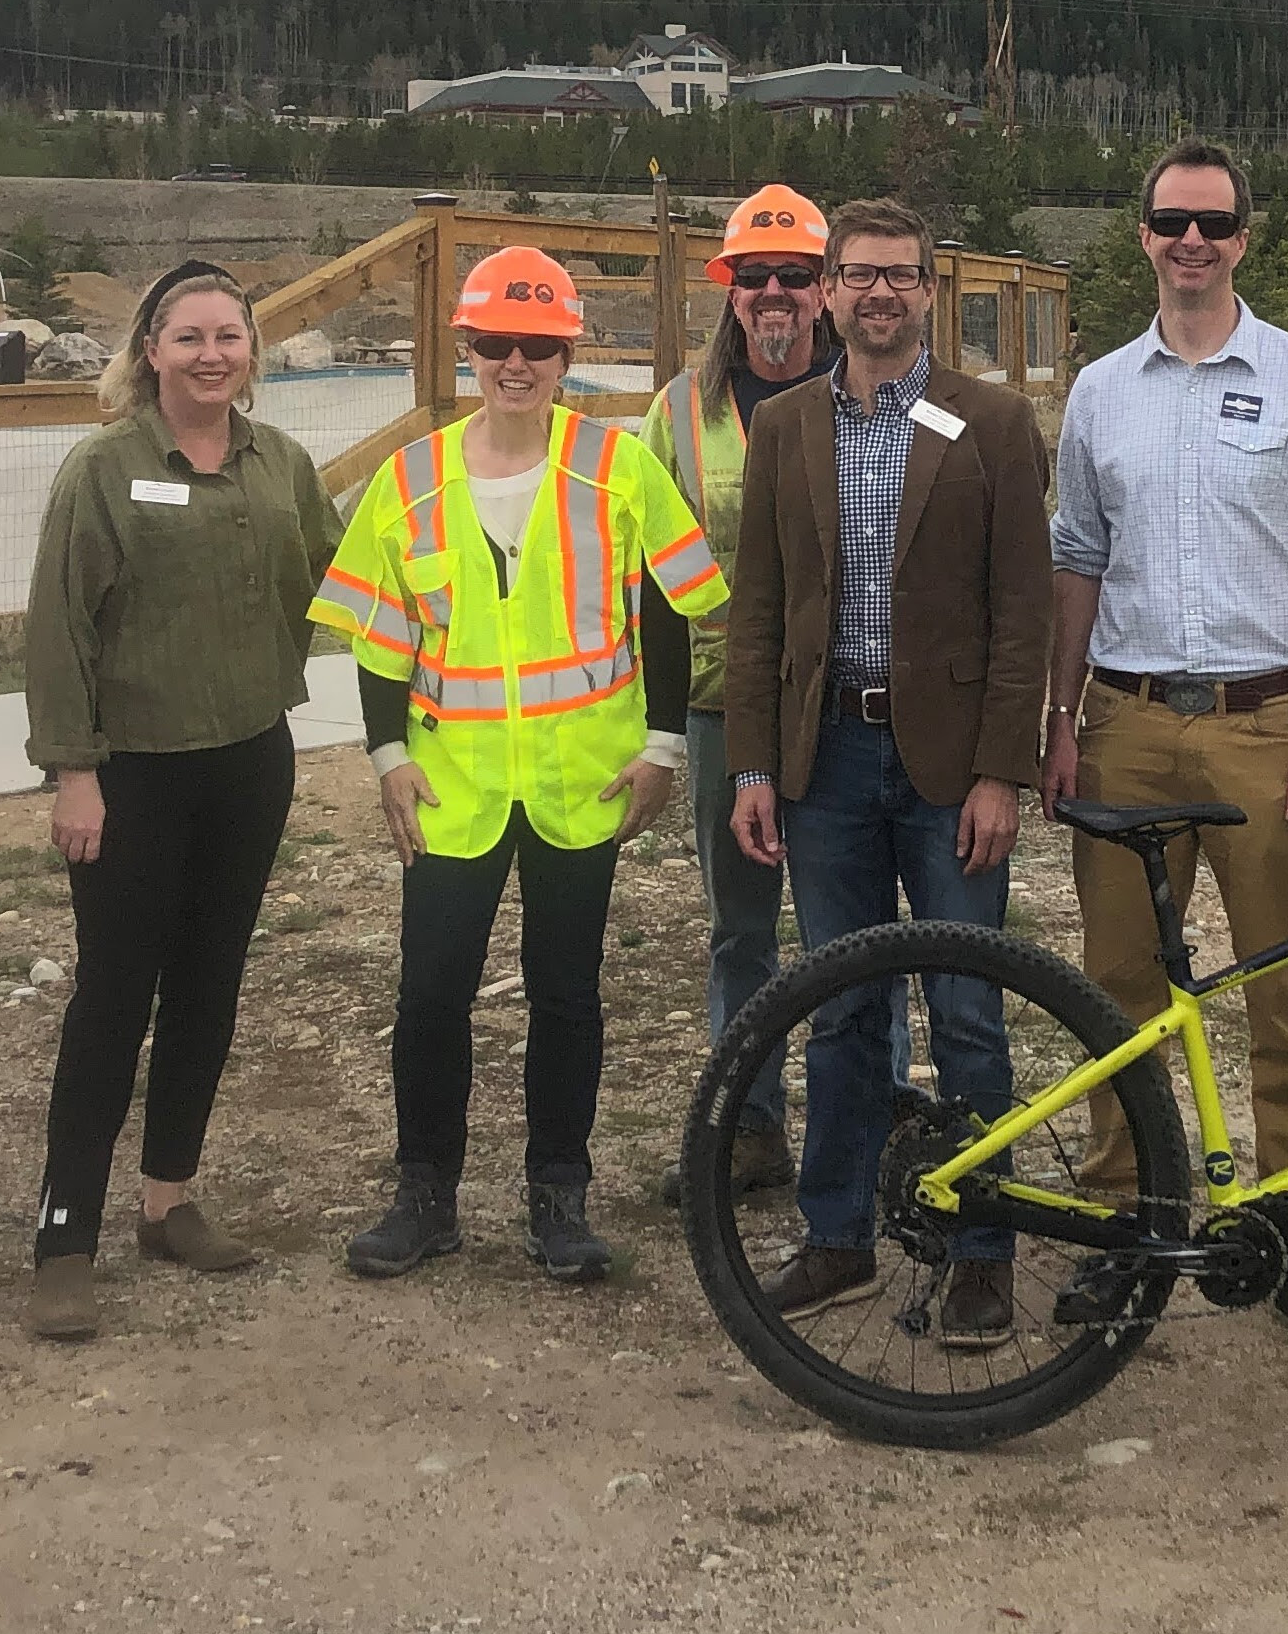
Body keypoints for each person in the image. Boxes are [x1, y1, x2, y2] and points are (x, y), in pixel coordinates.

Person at [311, 245, 722, 1285]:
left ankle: (558, 1194)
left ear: (568, 352)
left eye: (539, 345)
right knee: (431, 994)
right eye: (497, 342)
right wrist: (388, 751)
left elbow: (673, 606)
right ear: (467, 349)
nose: (517, 362)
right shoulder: (412, 477)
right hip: (450, 785)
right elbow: (380, 632)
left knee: (567, 992)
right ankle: (424, 1193)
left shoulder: (618, 464)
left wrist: (664, 746)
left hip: (581, 778)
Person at [1042, 138, 1288, 1358]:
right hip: (1126, 722)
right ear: (1141, 233)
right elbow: (1076, 556)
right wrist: (1057, 717)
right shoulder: (1099, 389)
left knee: (1285, 992)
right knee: (1119, 995)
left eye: (1216, 222)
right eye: (1172, 220)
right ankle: (1126, 1230)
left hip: (1270, 722)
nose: (1193, 240)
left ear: (1246, 235)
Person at [722, 198, 1053, 1342]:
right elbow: (758, 609)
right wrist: (755, 762)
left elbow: (1024, 612)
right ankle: (838, 1235)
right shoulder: (786, 428)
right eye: (858, 274)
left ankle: (978, 1246)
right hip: (827, 763)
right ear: (825, 288)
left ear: (929, 289)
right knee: (843, 1007)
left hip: (952, 767)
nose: (879, 293)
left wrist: (1005, 770)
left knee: (967, 1009)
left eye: (901, 275)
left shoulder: (996, 424)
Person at [16, 261, 342, 1341]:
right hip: (134, 774)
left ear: (253, 351)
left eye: (230, 337)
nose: (212, 355)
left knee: (209, 985)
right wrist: (74, 771)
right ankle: (65, 1235)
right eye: (189, 337)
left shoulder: (281, 462)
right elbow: (59, 626)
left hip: (250, 759)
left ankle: (168, 1198)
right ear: (149, 351)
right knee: (113, 997)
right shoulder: (104, 469)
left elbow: (344, 578)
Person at [645, 185, 840, 1208]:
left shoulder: (871, 392)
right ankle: (751, 1123)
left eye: (795, 277)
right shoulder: (677, 409)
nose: (773, 294)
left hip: (848, 703)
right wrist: (656, 724)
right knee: (742, 929)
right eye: (752, 277)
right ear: (729, 289)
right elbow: (644, 571)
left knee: (849, 926)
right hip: (726, 704)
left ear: (824, 287)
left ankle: (870, 1106)